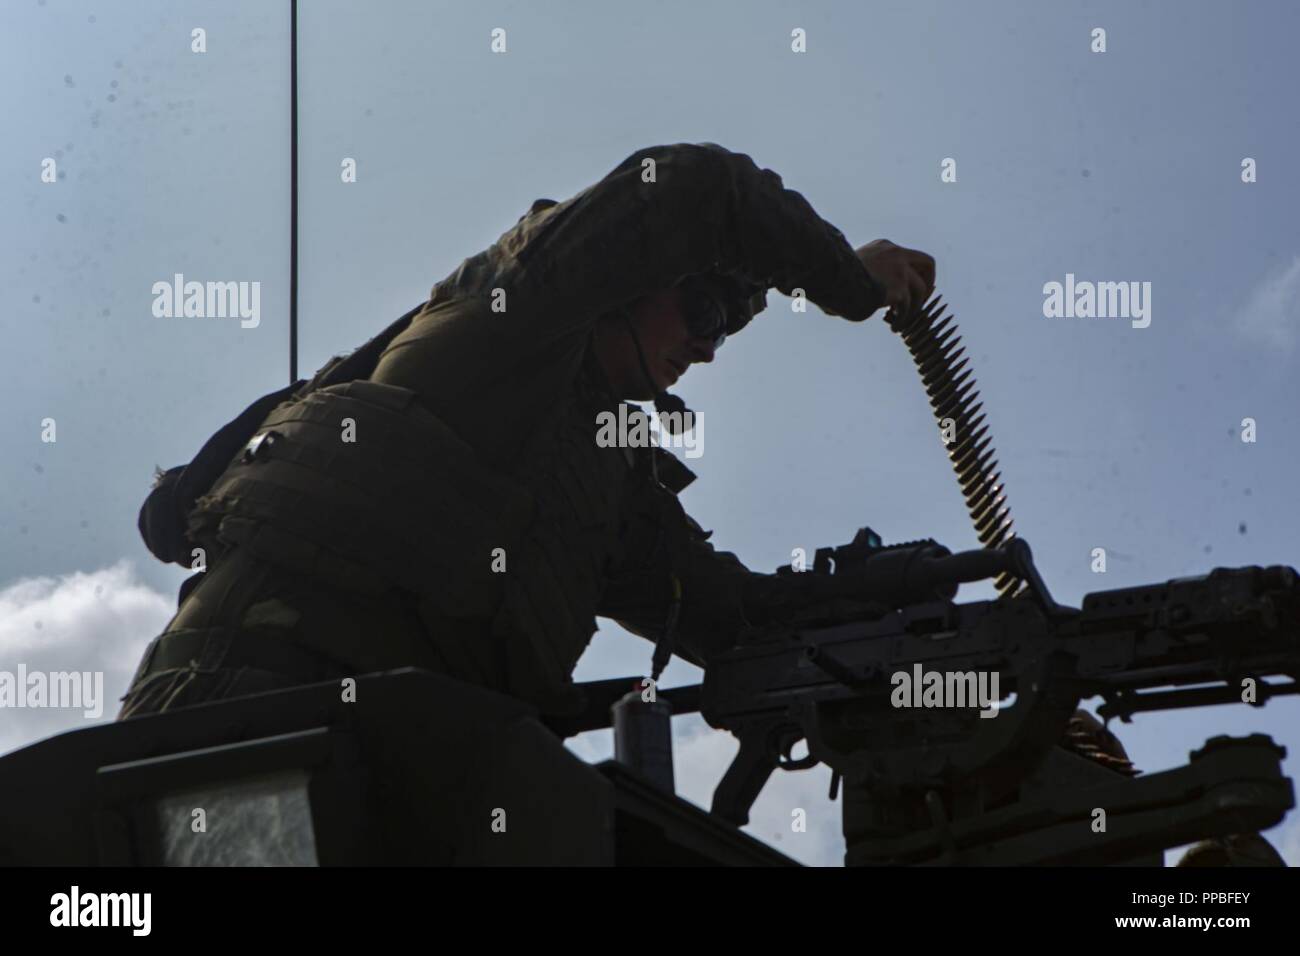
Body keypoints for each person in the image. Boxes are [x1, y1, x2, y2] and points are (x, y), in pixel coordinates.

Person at [117, 141, 935, 720]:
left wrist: (890, 603)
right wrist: (844, 278)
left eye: (719, 336)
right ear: (630, 284)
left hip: (411, 775)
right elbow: (695, 188)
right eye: (704, 312)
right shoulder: (504, 321)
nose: (705, 350)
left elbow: (729, 615)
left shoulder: (606, 482)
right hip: (240, 718)